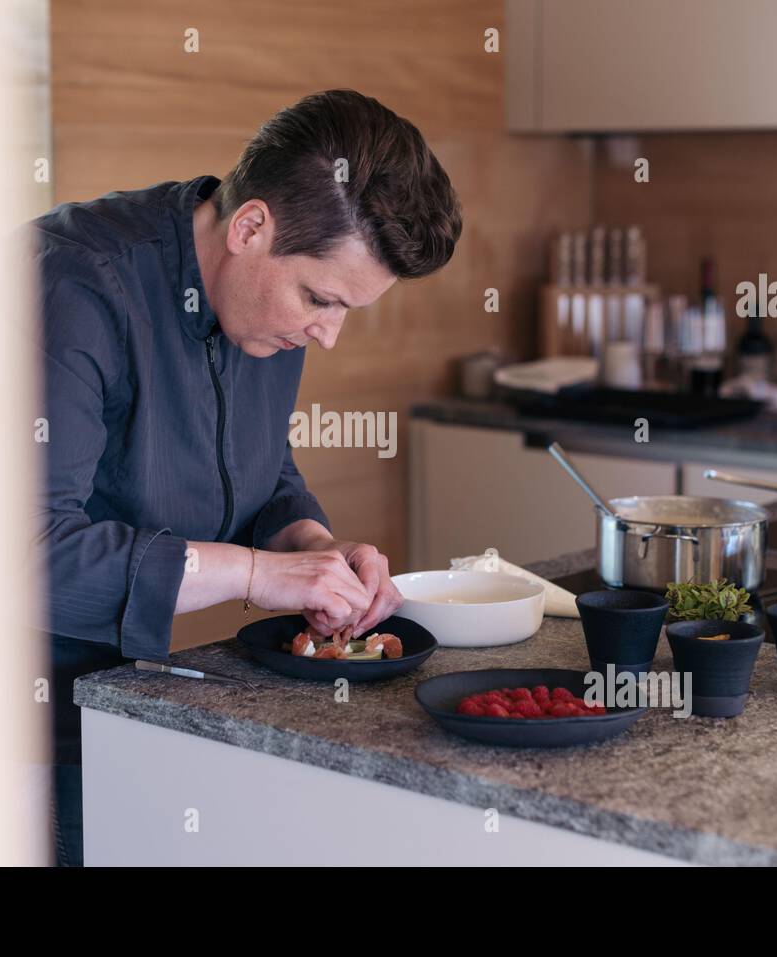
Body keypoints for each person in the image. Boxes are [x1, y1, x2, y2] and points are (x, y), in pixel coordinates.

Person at [29, 89, 462, 865]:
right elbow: (33, 554)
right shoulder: (73, 287)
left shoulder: (260, 297)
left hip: (129, 701)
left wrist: (313, 546)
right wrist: (262, 574)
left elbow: (261, 466)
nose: (326, 335)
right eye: (321, 300)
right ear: (251, 226)